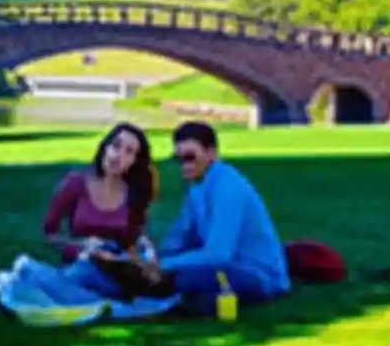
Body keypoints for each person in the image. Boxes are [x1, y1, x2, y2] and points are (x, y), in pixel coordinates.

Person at [99, 120, 289, 308]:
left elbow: (219, 254)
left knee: (186, 279)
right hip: (224, 267)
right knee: (165, 276)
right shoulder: (197, 186)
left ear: (212, 154)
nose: (184, 165)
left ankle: (161, 295)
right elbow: (180, 235)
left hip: (257, 273)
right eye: (179, 159)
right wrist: (148, 262)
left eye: (190, 157)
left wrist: (164, 265)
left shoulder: (229, 189)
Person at [42, 122, 157, 263]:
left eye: (129, 152)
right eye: (116, 145)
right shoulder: (75, 183)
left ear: (134, 161)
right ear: (106, 147)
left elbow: (140, 237)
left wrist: (147, 250)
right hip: (79, 267)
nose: (118, 155)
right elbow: (49, 233)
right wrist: (81, 245)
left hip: (116, 270)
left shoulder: (133, 194)